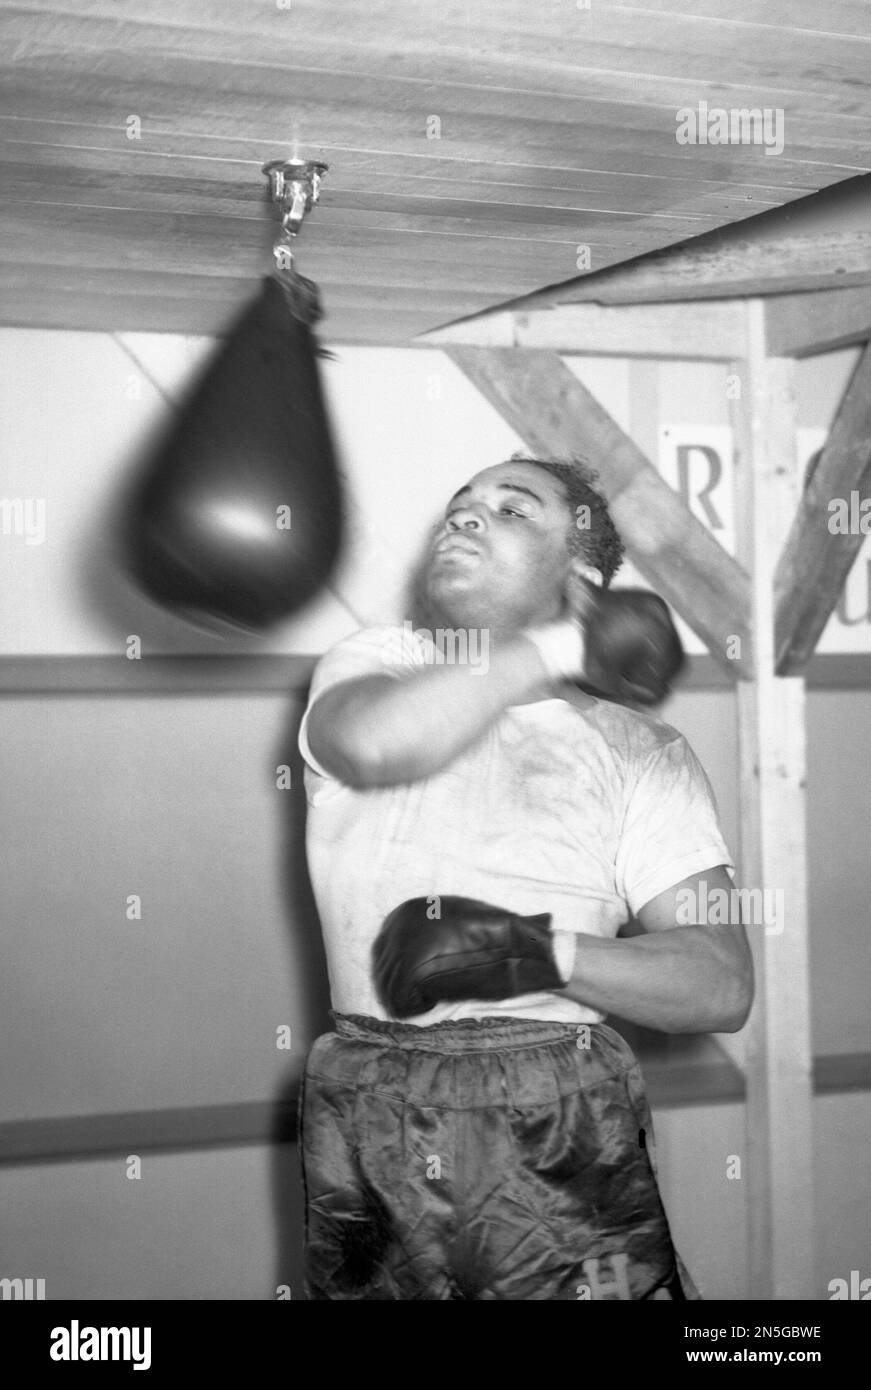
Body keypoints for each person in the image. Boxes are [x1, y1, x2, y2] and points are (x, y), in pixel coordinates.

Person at [296, 452, 753, 1301]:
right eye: (459, 504)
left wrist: (533, 950)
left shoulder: (638, 750)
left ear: (580, 571)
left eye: (512, 511)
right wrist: (560, 643)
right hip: (368, 1103)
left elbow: (718, 983)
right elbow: (372, 744)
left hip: (559, 1110)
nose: (464, 517)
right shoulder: (374, 662)